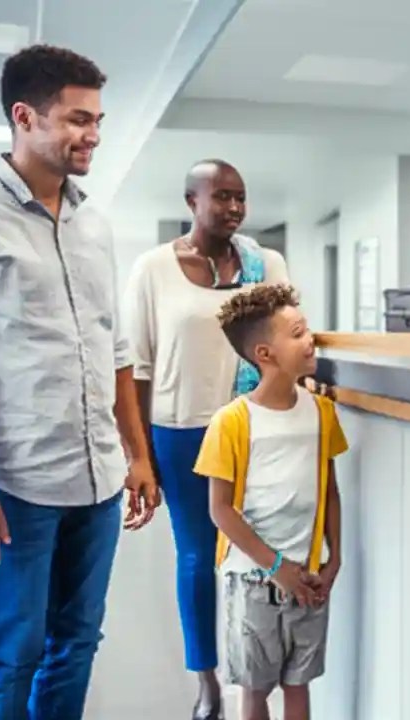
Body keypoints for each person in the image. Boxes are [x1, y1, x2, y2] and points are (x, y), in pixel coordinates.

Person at [0, 45, 160, 720]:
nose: (94, 136)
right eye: (78, 119)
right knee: (10, 655)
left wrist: (136, 454)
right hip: (17, 486)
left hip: (98, 480)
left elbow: (117, 351)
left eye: (98, 120)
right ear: (25, 116)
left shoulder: (94, 225)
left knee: (76, 644)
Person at [121, 159, 289, 720]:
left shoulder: (267, 263)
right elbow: (136, 368)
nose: (235, 208)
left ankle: (253, 679)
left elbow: (287, 340)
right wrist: (138, 456)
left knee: (255, 556)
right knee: (197, 558)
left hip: (254, 429)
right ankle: (207, 681)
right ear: (191, 201)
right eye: (222, 196)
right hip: (182, 431)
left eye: (241, 197)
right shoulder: (153, 269)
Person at [195, 284, 348, 720]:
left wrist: (333, 559)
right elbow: (220, 510)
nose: (311, 339)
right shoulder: (231, 423)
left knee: (298, 685)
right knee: (256, 690)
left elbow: (330, 491)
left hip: (310, 573)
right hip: (253, 580)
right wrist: (275, 566)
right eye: (298, 333)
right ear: (265, 353)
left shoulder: (322, 413)